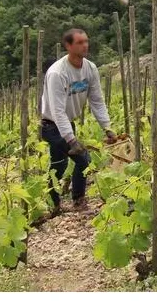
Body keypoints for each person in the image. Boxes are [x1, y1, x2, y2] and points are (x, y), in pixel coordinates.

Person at [41, 28, 116, 214]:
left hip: (67, 123)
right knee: (84, 160)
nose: (85, 46)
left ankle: (53, 202)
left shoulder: (90, 68)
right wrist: (72, 140)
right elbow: (58, 111)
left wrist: (107, 127)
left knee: (58, 165)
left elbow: (97, 101)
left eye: (86, 41)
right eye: (80, 42)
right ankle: (78, 201)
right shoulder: (57, 73)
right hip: (52, 125)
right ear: (68, 46)